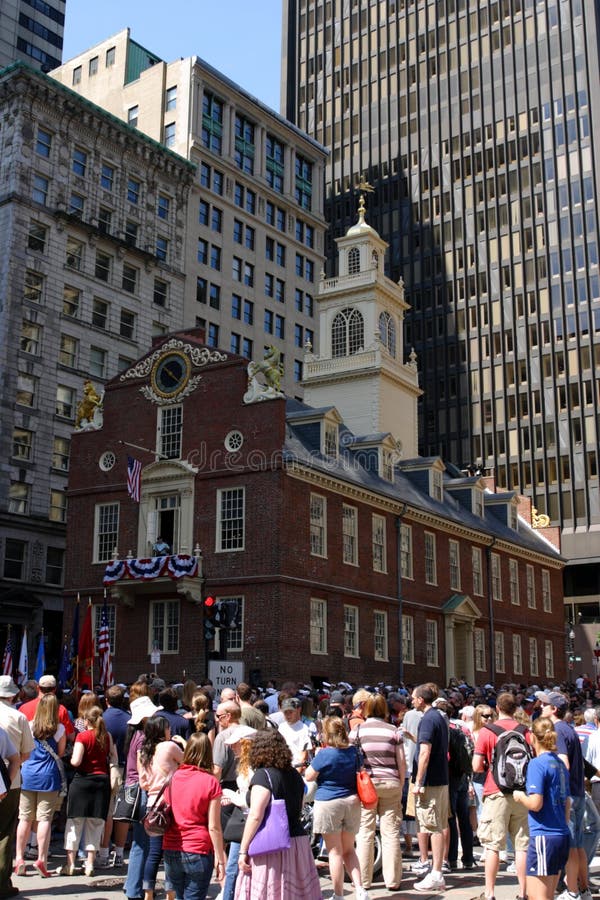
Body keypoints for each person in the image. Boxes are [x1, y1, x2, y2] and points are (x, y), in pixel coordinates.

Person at [235, 729, 322, 899]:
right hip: (298, 842)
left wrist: (243, 850)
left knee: (270, 892)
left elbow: (255, 815)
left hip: (271, 846)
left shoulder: (263, 776)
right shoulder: (294, 775)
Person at [473, 690, 531, 900]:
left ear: (497, 709)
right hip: (521, 793)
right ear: (515, 709)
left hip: (496, 791)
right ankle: (524, 892)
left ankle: (489, 893)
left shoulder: (488, 731)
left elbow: (477, 766)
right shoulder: (525, 731)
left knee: (493, 846)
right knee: (522, 846)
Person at [305, 716, 368, 900]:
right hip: (352, 801)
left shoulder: (325, 754)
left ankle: (339, 894)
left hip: (329, 802)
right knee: (349, 850)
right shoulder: (354, 752)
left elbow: (309, 776)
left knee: (334, 852)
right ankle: (360, 889)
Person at [537, 690, 591, 900]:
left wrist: (558, 795)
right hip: (577, 793)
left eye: (545, 705)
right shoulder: (568, 729)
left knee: (569, 848)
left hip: (567, 796)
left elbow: (563, 765)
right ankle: (583, 889)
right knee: (577, 846)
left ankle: (573, 891)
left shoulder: (557, 730)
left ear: (554, 709)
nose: (541, 707)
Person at [350, 692, 405, 892]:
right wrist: (400, 784)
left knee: (365, 832)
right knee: (391, 832)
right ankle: (393, 880)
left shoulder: (357, 732)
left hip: (367, 785)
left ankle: (364, 880)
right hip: (390, 783)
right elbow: (401, 762)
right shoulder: (394, 731)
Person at [162, 732, 226, 899]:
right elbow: (214, 825)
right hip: (198, 848)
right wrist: (220, 858)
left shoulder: (173, 777)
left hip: (171, 846)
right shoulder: (211, 782)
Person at [513, 717, 570, 900]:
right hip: (560, 833)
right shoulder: (560, 763)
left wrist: (520, 797)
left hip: (544, 834)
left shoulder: (537, 764)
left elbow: (536, 803)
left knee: (538, 896)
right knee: (548, 894)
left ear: (531, 737)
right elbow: (567, 802)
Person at [59, 705, 117, 877]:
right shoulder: (107, 736)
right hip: (101, 782)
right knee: (95, 823)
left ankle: (70, 864)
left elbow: (76, 761)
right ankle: (90, 864)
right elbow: (113, 756)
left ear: (86, 721)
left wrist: (68, 758)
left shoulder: (82, 736)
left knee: (74, 823)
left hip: (82, 781)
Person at [14, 694, 66, 879]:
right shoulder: (59, 729)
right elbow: (60, 753)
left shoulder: (28, 725)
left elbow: (23, 749)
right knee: (45, 819)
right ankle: (41, 859)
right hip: (48, 776)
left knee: (24, 818)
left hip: (28, 774)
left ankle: (19, 859)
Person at [137, 715, 184, 900]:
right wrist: (184, 742)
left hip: (152, 806)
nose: (170, 731)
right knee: (171, 853)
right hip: (171, 804)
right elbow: (189, 760)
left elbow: (143, 783)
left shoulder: (142, 751)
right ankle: (170, 893)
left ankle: (148, 893)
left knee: (154, 853)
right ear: (161, 730)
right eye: (167, 727)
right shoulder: (169, 746)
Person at [411, 682, 449, 892]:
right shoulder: (439, 717)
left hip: (431, 782)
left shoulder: (427, 719)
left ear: (421, 700)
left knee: (432, 827)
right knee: (439, 825)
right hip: (440, 779)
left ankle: (436, 874)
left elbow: (424, 752)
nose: (412, 700)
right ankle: (437, 872)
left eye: (414, 697)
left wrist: (418, 782)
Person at [123, 693, 161, 900]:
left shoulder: (135, 735)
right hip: (143, 791)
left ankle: (132, 886)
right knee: (142, 844)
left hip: (134, 789)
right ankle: (134, 889)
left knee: (141, 843)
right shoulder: (144, 738)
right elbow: (147, 769)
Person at [0, 675, 34, 900]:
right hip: (9, 782)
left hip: (7, 778)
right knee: (3, 834)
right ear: (12, 694)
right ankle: (2, 884)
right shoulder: (18, 716)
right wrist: (8, 778)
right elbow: (23, 754)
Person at [277, 697, 311, 774]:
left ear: (297, 711)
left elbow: (304, 755)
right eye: (285, 712)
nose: (288, 715)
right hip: (283, 768)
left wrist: (296, 774)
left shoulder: (304, 729)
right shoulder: (281, 727)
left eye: (290, 712)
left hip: (296, 769)